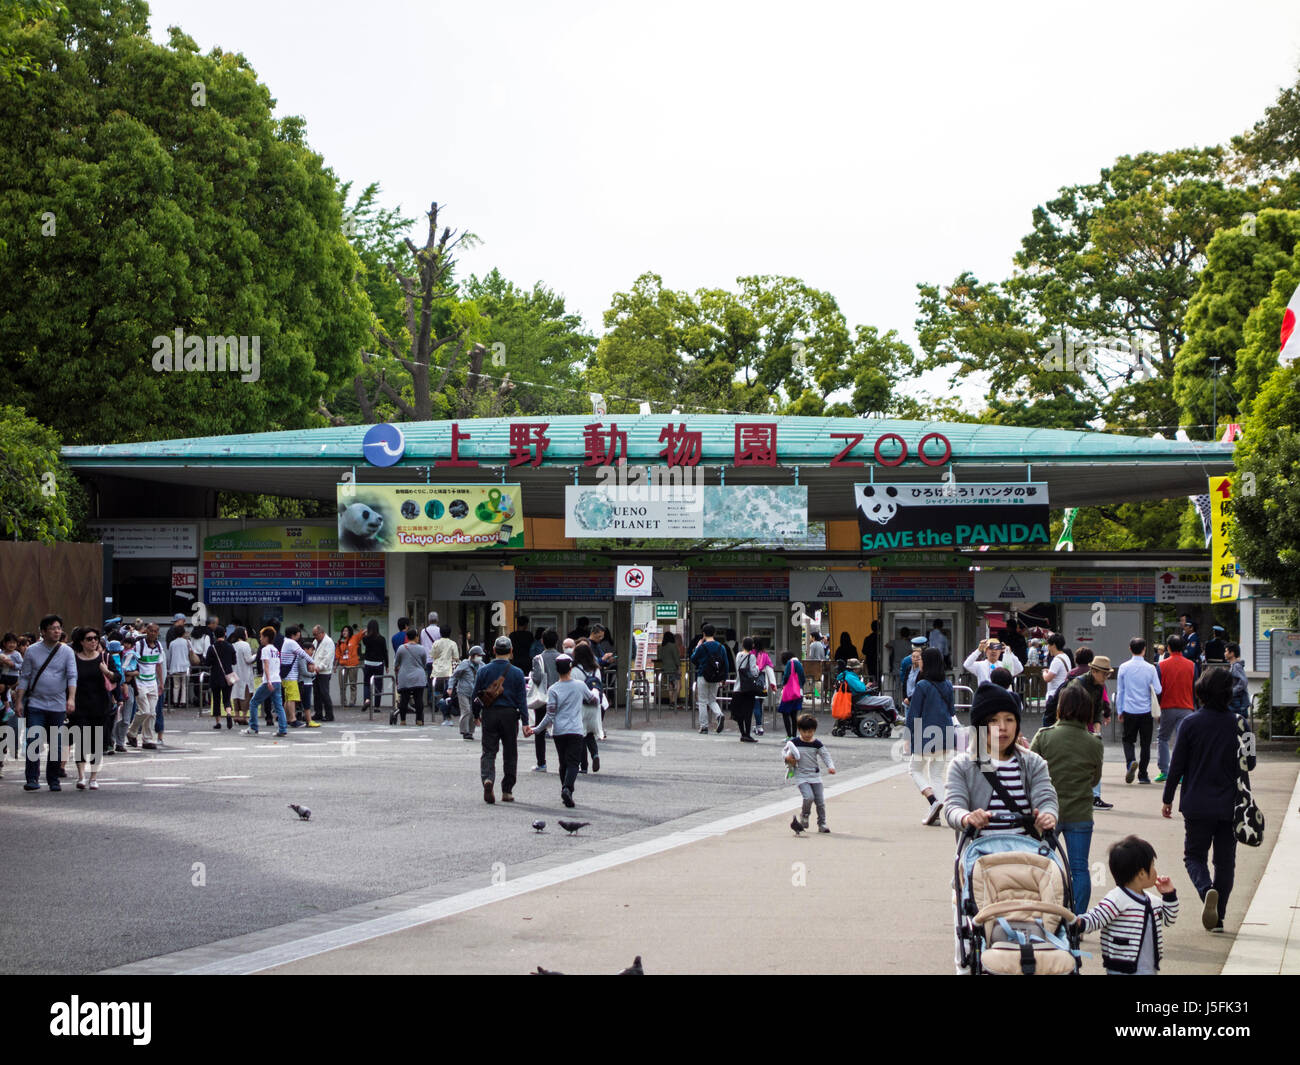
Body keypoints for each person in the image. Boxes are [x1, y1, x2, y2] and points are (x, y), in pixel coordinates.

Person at [1161, 668, 1256, 934]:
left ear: (1201, 691)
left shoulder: (1189, 724)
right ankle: (1219, 916)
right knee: (1225, 863)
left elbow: (1176, 765)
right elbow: (1251, 762)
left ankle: (1206, 891)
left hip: (1197, 803)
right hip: (1231, 805)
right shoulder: (1241, 723)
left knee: (1194, 856)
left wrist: (1167, 798)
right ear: (1228, 694)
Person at [944, 682, 1058, 837]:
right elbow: (953, 807)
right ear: (980, 727)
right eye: (993, 720)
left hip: (1026, 855)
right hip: (981, 856)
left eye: (1009, 719)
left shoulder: (1033, 763)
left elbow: (1046, 798)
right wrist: (967, 817)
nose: (1003, 727)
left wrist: (1048, 814)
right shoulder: (962, 765)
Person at [1029, 684, 1104, 912]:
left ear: (1061, 707)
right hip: (1080, 812)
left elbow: (1029, 772)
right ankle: (1077, 918)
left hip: (1046, 813)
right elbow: (1094, 779)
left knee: (1041, 864)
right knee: (1079, 868)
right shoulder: (1094, 742)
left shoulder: (1044, 736)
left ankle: (1043, 912)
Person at [1073, 835, 1179, 974]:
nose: (1155, 871)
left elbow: (1169, 918)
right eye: (1152, 866)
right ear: (1141, 873)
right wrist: (1079, 922)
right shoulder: (1117, 899)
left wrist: (1169, 895)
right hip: (1121, 969)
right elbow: (1097, 917)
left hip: (1149, 969)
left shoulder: (1152, 901)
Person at [526, 653, 600, 808]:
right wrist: (594, 693)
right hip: (575, 730)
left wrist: (537, 729)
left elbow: (550, 715)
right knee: (574, 763)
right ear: (571, 668)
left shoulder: (553, 689)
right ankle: (567, 789)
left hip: (559, 731)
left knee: (563, 763)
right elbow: (593, 700)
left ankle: (565, 790)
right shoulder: (580, 685)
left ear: (557, 669)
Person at [14, 614, 78, 791]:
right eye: (52, 628)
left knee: (56, 744)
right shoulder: (32, 651)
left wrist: (71, 698)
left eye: (59, 628)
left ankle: (53, 779)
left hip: (58, 705)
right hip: (35, 704)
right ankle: (32, 779)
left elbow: (72, 676)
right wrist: (19, 701)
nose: (57, 631)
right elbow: (25, 677)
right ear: (43, 631)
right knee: (33, 741)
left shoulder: (67, 651)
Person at [905, 647, 957, 827]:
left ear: (926, 663)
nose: (918, 662)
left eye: (921, 660)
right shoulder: (948, 685)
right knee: (936, 774)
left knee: (915, 769)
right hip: (946, 733)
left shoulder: (922, 686)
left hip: (925, 733)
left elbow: (914, 715)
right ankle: (939, 813)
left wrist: (908, 736)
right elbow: (952, 710)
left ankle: (933, 800)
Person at [474, 635, 529, 804]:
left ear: (494, 650)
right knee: (510, 752)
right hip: (510, 714)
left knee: (489, 751)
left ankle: (488, 779)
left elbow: (475, 694)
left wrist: (476, 714)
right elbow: (522, 699)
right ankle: (507, 790)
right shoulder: (518, 673)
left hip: (490, 713)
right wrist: (526, 722)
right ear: (511, 651)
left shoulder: (483, 670)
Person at [69, 626, 113, 790]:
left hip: (100, 706)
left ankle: (93, 777)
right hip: (79, 705)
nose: (94, 641)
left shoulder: (104, 657)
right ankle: (81, 776)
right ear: (81, 642)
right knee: (81, 740)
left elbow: (118, 677)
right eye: (89, 638)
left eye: (96, 638)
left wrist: (107, 672)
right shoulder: (74, 659)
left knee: (96, 742)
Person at [1116, 638, 1160, 785]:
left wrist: (1119, 710)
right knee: (1145, 744)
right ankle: (1143, 774)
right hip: (1146, 710)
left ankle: (1130, 763)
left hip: (1129, 709)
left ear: (1130, 649)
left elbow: (1120, 691)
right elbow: (1158, 689)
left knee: (1128, 740)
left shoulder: (1123, 667)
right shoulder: (1151, 668)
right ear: (1144, 649)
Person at [782, 714, 836, 832]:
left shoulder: (816, 743)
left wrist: (830, 766)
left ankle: (822, 824)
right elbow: (785, 754)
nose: (807, 735)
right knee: (808, 797)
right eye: (804, 731)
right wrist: (788, 759)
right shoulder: (794, 743)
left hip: (815, 776)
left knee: (820, 802)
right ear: (799, 730)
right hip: (801, 776)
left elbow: (825, 755)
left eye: (810, 732)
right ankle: (805, 815)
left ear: (814, 731)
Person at [1156, 633, 1195, 784]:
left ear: (1168, 648)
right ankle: (1182, 773)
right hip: (1187, 707)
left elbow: (1159, 689)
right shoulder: (1191, 665)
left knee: (1163, 738)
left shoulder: (1161, 665)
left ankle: (1165, 771)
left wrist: (1158, 708)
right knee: (1183, 741)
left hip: (1167, 706)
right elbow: (1195, 687)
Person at [244, 627, 288, 737]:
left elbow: (266, 666)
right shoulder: (276, 650)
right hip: (277, 680)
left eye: (261, 637)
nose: (260, 639)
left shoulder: (265, 649)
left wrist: (268, 680)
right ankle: (282, 728)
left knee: (254, 702)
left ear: (266, 637)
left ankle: (253, 727)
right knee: (279, 706)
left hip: (269, 681)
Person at [126, 622, 164, 750]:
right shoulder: (139, 645)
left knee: (152, 713)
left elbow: (158, 665)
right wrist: (130, 673)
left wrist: (161, 683)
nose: (153, 633)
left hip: (152, 682)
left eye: (155, 631)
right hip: (139, 681)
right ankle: (131, 732)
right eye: (151, 630)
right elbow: (128, 661)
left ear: (158, 632)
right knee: (145, 710)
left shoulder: (159, 646)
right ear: (146, 631)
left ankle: (147, 739)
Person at [529, 629, 561, 772]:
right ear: (557, 642)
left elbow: (536, 679)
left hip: (543, 699)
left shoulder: (538, 659)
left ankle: (541, 763)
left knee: (540, 730)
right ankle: (564, 762)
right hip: (561, 697)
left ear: (542, 641)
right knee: (561, 730)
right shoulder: (563, 658)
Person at [572, 641, 605, 772]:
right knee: (590, 734)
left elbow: (573, 689)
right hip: (595, 705)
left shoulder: (574, 670)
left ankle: (583, 766)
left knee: (581, 735)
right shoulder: (596, 669)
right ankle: (595, 754)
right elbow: (599, 685)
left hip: (580, 706)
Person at [690, 623, 729, 734]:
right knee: (712, 700)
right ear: (714, 633)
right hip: (715, 677)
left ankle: (704, 726)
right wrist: (724, 678)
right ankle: (719, 714)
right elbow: (725, 663)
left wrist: (697, 646)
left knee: (702, 701)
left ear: (703, 634)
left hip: (703, 675)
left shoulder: (702, 647)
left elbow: (693, 659)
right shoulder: (721, 647)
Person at [393, 629, 429, 725]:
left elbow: (396, 663)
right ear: (416, 637)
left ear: (407, 637)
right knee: (418, 699)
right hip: (418, 677)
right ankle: (419, 720)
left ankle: (403, 720)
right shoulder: (421, 649)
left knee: (404, 699)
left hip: (405, 677)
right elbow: (424, 663)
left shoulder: (401, 648)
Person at [279, 624, 312, 727]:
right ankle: (293, 719)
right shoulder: (292, 643)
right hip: (291, 676)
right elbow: (303, 653)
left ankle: (285, 718)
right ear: (295, 634)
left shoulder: (286, 642)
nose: (300, 634)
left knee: (288, 698)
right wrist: (312, 662)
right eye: (299, 633)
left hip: (286, 675)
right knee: (292, 698)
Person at [205, 626, 236, 730]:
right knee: (227, 698)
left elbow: (207, 663)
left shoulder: (212, 647)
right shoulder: (230, 646)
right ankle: (228, 713)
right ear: (225, 634)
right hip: (228, 676)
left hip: (215, 676)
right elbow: (234, 661)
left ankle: (218, 722)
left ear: (214, 635)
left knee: (216, 699)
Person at [731, 636, 761, 743]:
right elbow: (754, 672)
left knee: (739, 713)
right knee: (748, 712)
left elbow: (738, 668)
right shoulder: (752, 656)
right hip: (748, 689)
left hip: (737, 687)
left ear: (743, 645)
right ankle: (747, 734)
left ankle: (742, 733)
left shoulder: (738, 655)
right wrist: (757, 668)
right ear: (752, 646)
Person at [1040, 633, 1073, 724]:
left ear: (1053, 645)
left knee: (1048, 723)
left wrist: (1044, 672)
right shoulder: (1065, 657)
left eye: (1048, 645)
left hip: (1054, 696)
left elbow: (1047, 678)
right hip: (1063, 694)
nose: (1048, 647)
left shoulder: (1057, 660)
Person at [429, 627, 459, 726]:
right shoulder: (452, 643)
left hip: (437, 671)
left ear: (440, 633)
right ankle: (447, 714)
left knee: (436, 693)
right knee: (448, 693)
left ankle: (439, 709)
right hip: (449, 671)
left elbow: (432, 655)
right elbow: (456, 657)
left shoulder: (436, 643)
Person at [453, 645, 484, 739]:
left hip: (475, 692)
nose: (480, 657)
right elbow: (455, 676)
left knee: (473, 712)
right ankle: (464, 731)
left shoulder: (482, 665)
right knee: (466, 710)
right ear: (473, 655)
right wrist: (450, 687)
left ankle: (470, 731)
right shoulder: (464, 664)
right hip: (463, 691)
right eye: (479, 655)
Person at [360, 619, 388, 711]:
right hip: (378, 664)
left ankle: (367, 700)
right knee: (378, 684)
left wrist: (364, 633)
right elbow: (385, 652)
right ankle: (376, 706)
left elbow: (362, 639)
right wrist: (387, 665)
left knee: (367, 683)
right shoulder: (382, 639)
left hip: (368, 663)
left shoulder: (366, 638)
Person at [231, 626, 256, 726]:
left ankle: (236, 715)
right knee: (245, 695)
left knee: (235, 694)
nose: (247, 635)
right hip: (245, 674)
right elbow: (248, 659)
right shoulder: (245, 645)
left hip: (234, 673)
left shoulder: (233, 645)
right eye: (245, 633)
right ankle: (244, 716)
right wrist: (256, 655)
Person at [777, 650, 805, 737]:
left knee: (785, 713)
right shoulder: (799, 663)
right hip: (798, 693)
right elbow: (803, 678)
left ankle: (789, 735)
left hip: (789, 693)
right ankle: (794, 735)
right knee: (794, 715)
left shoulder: (790, 663)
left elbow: (786, 676)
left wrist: (783, 685)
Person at [311, 625, 336, 723]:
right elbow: (313, 653)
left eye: (316, 634)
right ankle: (318, 713)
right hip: (315, 670)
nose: (314, 636)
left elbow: (327, 658)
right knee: (316, 693)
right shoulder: (316, 641)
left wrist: (319, 667)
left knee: (324, 693)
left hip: (324, 672)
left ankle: (329, 714)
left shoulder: (328, 642)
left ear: (321, 633)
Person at [752, 637, 774, 736]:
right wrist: (773, 684)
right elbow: (770, 671)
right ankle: (758, 727)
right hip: (762, 684)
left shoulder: (750, 655)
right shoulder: (765, 656)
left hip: (751, 684)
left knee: (755, 706)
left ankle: (758, 726)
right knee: (759, 706)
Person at [336, 624, 360, 706]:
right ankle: (343, 702)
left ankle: (352, 701)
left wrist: (358, 628)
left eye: (346, 631)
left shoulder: (354, 638)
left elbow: (362, 633)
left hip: (352, 665)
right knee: (342, 685)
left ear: (350, 632)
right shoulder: (340, 641)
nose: (344, 632)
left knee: (353, 684)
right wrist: (335, 666)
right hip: (343, 666)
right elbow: (337, 655)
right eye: (343, 631)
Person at [1224, 643, 1251, 718]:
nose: (1224, 653)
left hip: (1237, 701)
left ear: (1232, 653)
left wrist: (1232, 691)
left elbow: (1243, 682)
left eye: (1226, 651)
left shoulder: (1236, 666)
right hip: (1235, 700)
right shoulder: (1234, 666)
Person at [657, 631, 682, 707]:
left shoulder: (661, 647)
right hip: (673, 669)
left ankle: (671, 701)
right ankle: (673, 702)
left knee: (670, 686)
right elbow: (676, 658)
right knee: (678, 686)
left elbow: (659, 658)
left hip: (665, 669)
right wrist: (679, 667)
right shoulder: (673, 646)